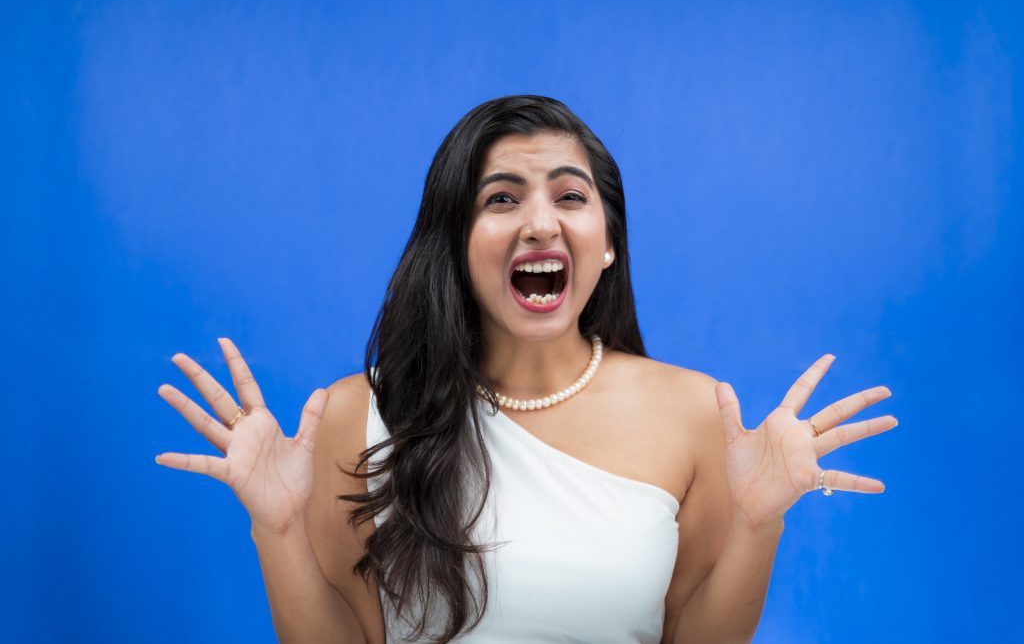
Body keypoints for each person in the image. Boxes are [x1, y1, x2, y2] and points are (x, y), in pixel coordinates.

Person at [154, 95, 898, 644]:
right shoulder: (363, 414)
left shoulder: (695, 413)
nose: (540, 222)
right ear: (457, 243)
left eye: (570, 197)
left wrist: (757, 526)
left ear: (607, 243)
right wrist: (275, 529)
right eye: (502, 198)